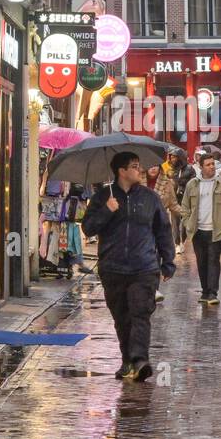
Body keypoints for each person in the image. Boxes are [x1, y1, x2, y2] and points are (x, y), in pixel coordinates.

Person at [81, 152, 176, 381]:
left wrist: (167, 262)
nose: (139, 170)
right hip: (112, 268)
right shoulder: (103, 197)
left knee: (140, 313)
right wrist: (107, 210)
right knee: (122, 318)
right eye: (134, 166)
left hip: (144, 267)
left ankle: (140, 360)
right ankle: (127, 361)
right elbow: (88, 228)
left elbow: (163, 230)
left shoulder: (150, 198)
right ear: (121, 171)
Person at [181, 155, 221, 306]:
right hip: (197, 229)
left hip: (216, 230)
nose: (212, 167)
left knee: (213, 260)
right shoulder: (192, 184)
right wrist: (187, 223)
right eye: (208, 164)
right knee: (201, 261)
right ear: (201, 167)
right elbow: (185, 207)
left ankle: (213, 293)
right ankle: (205, 291)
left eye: (213, 164)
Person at [146, 164, 181, 302]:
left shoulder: (167, 183)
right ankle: (147, 288)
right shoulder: (137, 183)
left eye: (156, 166)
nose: (153, 168)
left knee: (156, 256)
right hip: (142, 225)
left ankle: (154, 288)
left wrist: (189, 215)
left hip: (159, 225)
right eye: (150, 166)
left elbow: (173, 204)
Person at [169, 149, 193, 255]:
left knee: (184, 222)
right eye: (171, 157)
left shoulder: (190, 169)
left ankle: (183, 241)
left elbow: (193, 183)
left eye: (174, 157)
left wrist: (181, 183)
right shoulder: (170, 169)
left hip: (185, 198)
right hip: (174, 198)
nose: (172, 159)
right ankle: (177, 243)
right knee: (175, 222)